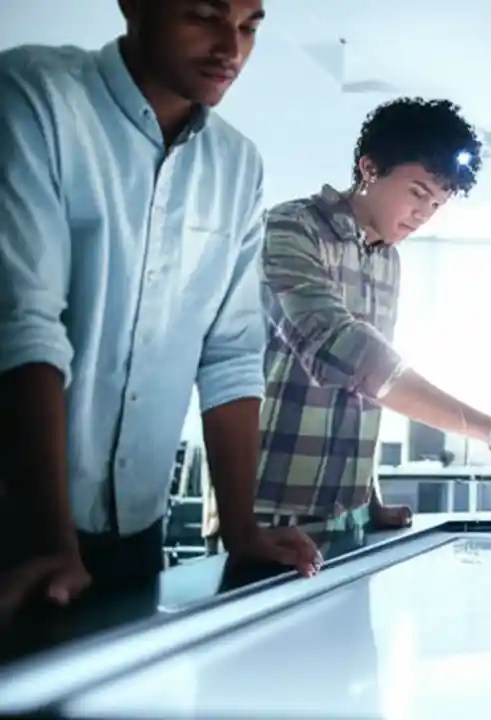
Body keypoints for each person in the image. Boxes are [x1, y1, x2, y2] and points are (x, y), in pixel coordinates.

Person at [0, 0, 321, 624]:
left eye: (250, 25)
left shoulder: (238, 164)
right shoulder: (35, 96)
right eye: (204, 15)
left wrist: (242, 528)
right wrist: (51, 540)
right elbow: (22, 323)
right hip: (19, 527)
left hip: (136, 533)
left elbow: (230, 352)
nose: (231, 49)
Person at [254, 97, 491, 550]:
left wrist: (369, 497)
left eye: (437, 203)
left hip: (349, 515)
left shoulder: (387, 261)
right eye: (418, 193)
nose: (424, 214)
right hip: (269, 510)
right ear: (369, 168)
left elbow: (362, 394)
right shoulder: (291, 229)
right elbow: (344, 351)